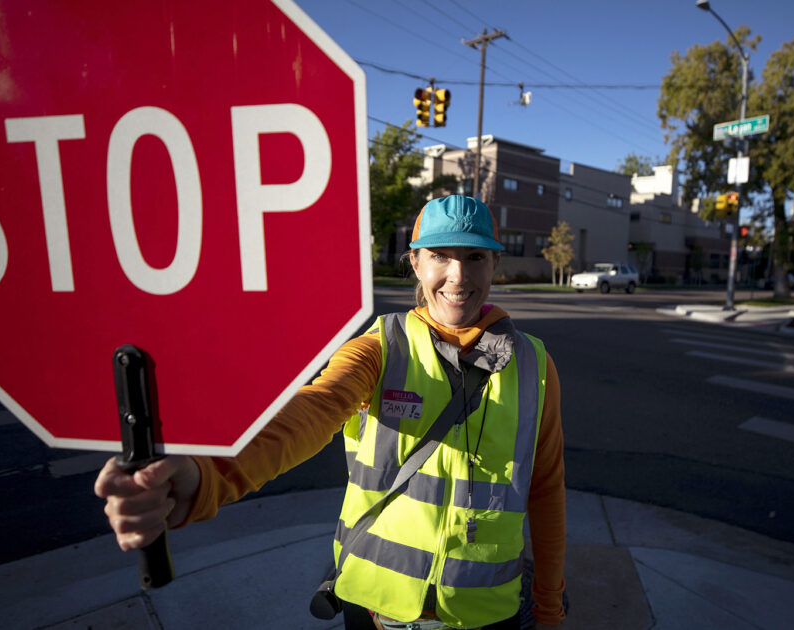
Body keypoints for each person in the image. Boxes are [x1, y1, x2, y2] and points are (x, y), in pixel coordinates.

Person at [95, 195, 566, 630]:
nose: (458, 276)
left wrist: (548, 607)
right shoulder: (379, 348)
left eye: (475, 257)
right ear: (416, 263)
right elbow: (311, 412)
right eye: (440, 256)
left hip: (484, 616)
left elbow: (545, 490)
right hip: (375, 610)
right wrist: (208, 475)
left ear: (495, 263)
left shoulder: (533, 365)